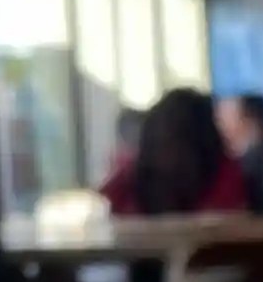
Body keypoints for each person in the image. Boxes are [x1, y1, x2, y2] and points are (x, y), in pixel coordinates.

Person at [101, 89, 248, 217]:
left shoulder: (227, 178)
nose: (170, 154)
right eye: (161, 140)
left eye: (178, 139)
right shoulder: (127, 183)